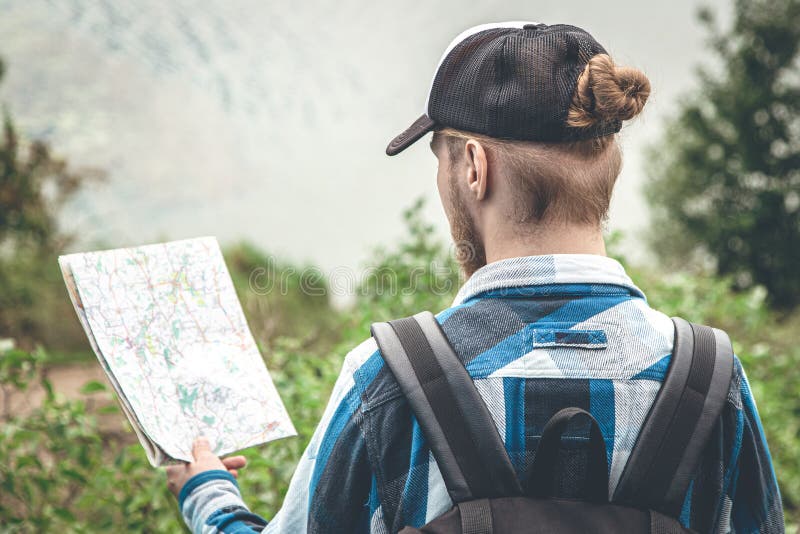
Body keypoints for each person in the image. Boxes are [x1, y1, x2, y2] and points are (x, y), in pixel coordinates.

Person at [166, 21, 784, 533]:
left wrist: (208, 494)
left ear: (473, 168)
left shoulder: (386, 381)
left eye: (439, 160)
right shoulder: (713, 382)